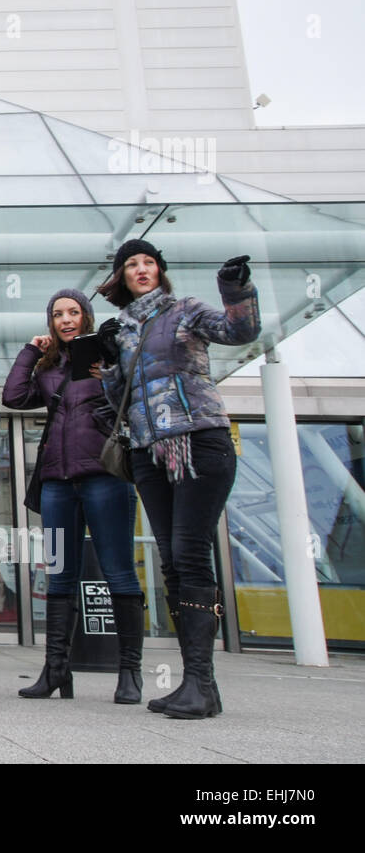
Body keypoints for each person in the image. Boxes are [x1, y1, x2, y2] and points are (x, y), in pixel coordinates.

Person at [96, 239, 259, 720]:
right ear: (122, 276)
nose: (141, 269)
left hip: (196, 441)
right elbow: (120, 398)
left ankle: (201, 684)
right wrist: (107, 366)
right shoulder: (124, 328)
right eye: (131, 264)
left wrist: (235, 287)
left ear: (159, 271)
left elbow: (240, 330)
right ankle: (196, 683)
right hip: (147, 449)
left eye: (148, 262)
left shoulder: (184, 309)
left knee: (191, 553)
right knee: (172, 560)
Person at [3, 288, 143, 702]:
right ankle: (56, 671)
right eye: (58, 314)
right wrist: (31, 351)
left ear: (86, 317)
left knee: (119, 571)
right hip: (57, 485)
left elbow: (136, 395)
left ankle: (130, 673)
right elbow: (12, 397)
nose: (66, 320)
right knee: (60, 576)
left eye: (73, 312)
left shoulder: (107, 357)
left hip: (104, 476)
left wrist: (114, 367)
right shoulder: (48, 369)